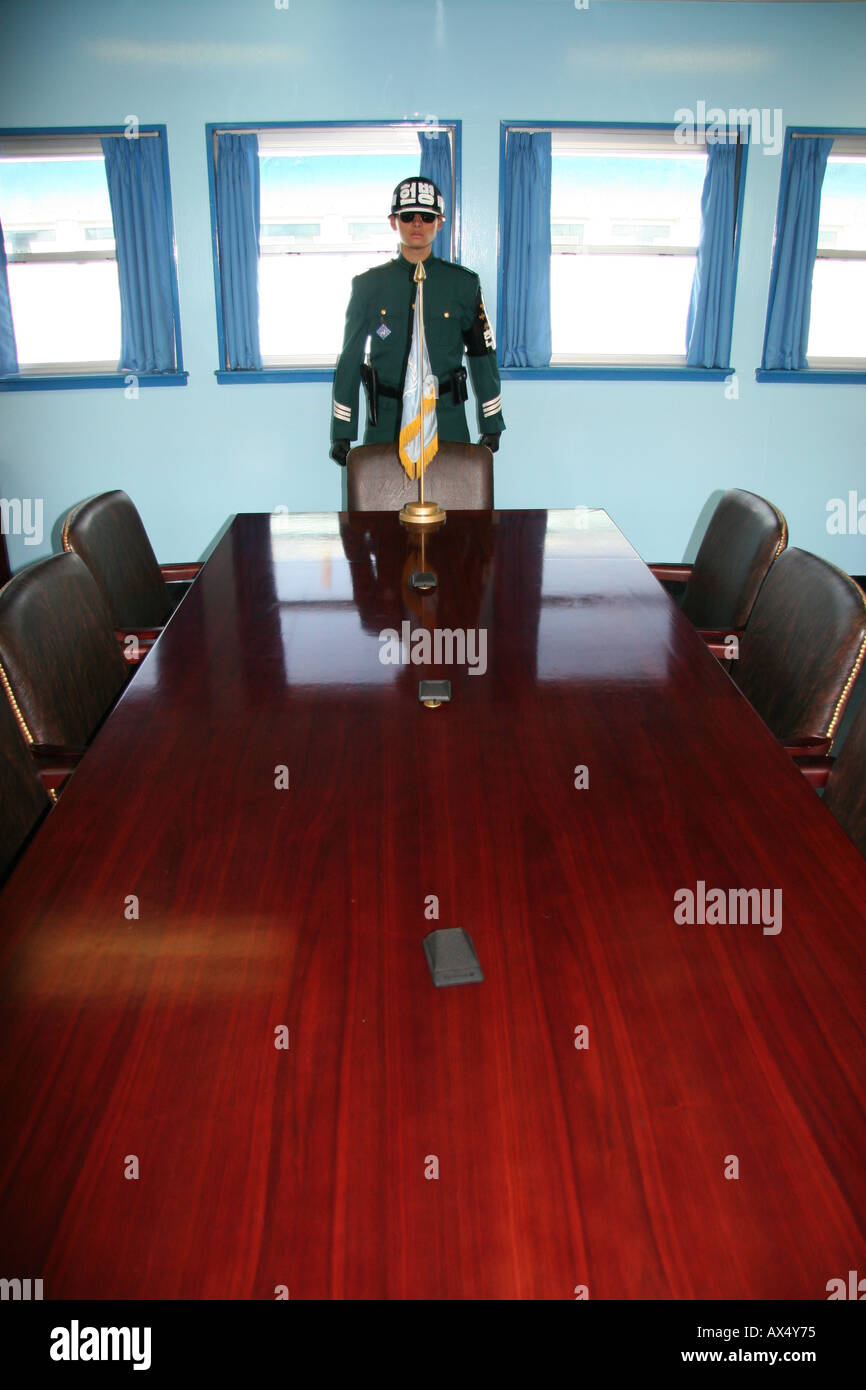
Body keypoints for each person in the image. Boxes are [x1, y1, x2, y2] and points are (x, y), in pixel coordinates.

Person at [330, 177, 504, 465]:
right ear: (393, 221)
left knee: (453, 504)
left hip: (446, 417)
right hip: (387, 420)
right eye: (408, 216)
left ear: (440, 222)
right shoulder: (369, 286)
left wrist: (492, 423)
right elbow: (349, 359)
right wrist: (342, 431)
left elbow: (481, 355)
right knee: (383, 504)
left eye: (427, 217)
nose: (417, 224)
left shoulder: (463, 284)